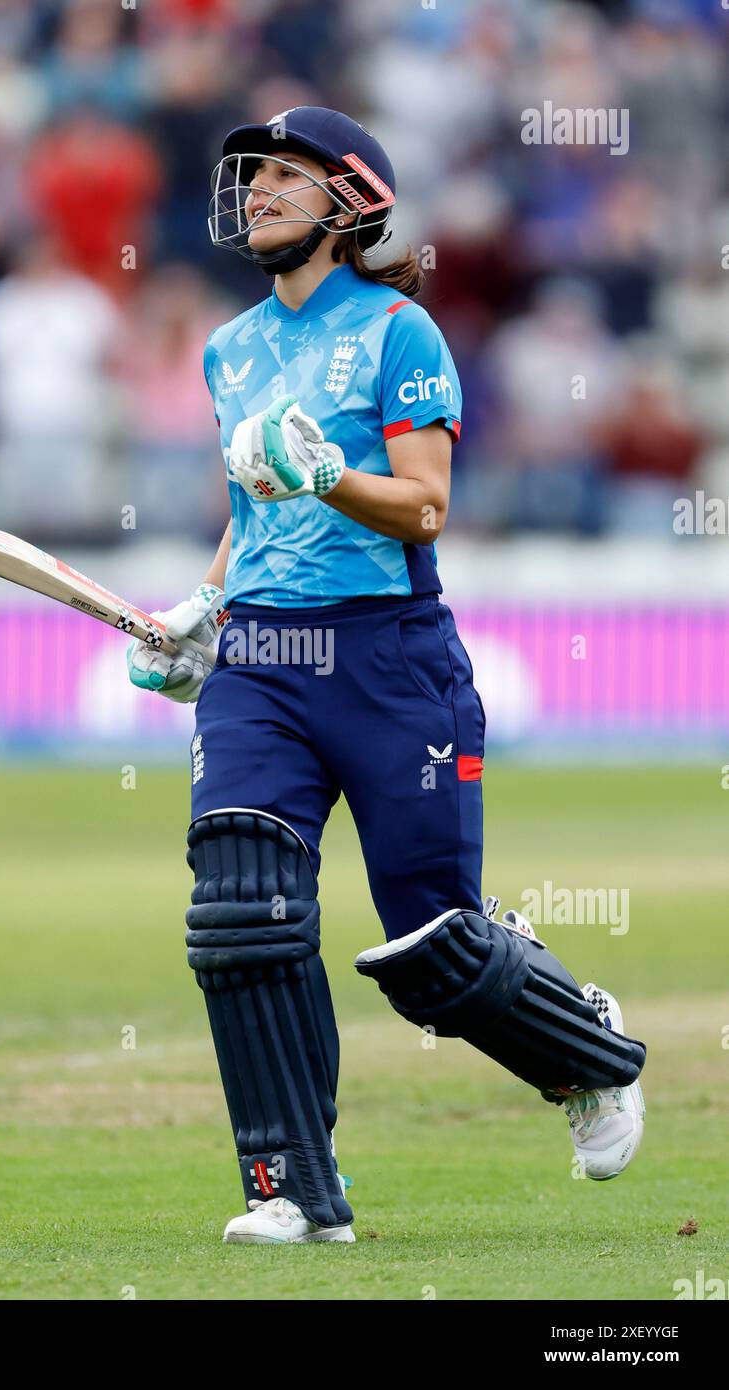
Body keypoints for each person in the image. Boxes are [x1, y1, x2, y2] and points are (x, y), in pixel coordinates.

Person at [128, 107, 646, 1244]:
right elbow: (246, 510)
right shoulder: (227, 348)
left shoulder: (399, 332)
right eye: (249, 174)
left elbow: (423, 503)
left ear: (349, 199)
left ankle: (587, 1053)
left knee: (432, 949)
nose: (255, 189)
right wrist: (201, 615)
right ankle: (293, 1193)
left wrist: (323, 474)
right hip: (261, 659)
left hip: (388, 654)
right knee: (239, 912)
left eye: (281, 173)